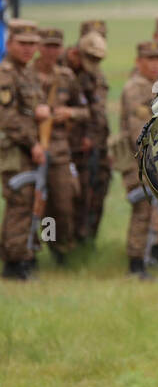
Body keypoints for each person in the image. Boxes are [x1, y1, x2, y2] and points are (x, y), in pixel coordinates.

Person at [0, 20, 49, 281]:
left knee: (31, 202)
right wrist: (33, 144)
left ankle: (23, 257)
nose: (29, 49)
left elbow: (36, 107)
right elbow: (7, 118)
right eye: (23, 44)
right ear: (9, 44)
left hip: (33, 149)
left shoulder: (27, 73)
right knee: (19, 204)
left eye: (33, 44)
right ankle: (14, 264)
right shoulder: (6, 73)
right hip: (15, 150)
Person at [34, 28, 88, 264]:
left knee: (62, 203)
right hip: (31, 147)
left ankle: (56, 247)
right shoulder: (25, 74)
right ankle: (27, 253)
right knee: (32, 203)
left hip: (58, 148)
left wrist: (70, 113)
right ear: (39, 47)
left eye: (56, 46)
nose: (51, 51)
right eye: (47, 46)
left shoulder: (65, 76)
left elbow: (84, 110)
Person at [118, 41, 158, 280]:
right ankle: (136, 265)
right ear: (139, 62)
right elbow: (140, 131)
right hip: (138, 161)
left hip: (152, 161)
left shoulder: (154, 86)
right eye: (150, 59)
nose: (156, 64)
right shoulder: (136, 88)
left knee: (150, 212)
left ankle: (144, 260)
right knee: (142, 210)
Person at [69, 31, 110, 247]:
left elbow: (96, 113)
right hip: (64, 147)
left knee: (90, 194)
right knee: (62, 202)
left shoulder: (91, 75)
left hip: (89, 146)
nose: (92, 65)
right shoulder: (63, 72)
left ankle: (83, 243)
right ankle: (56, 246)